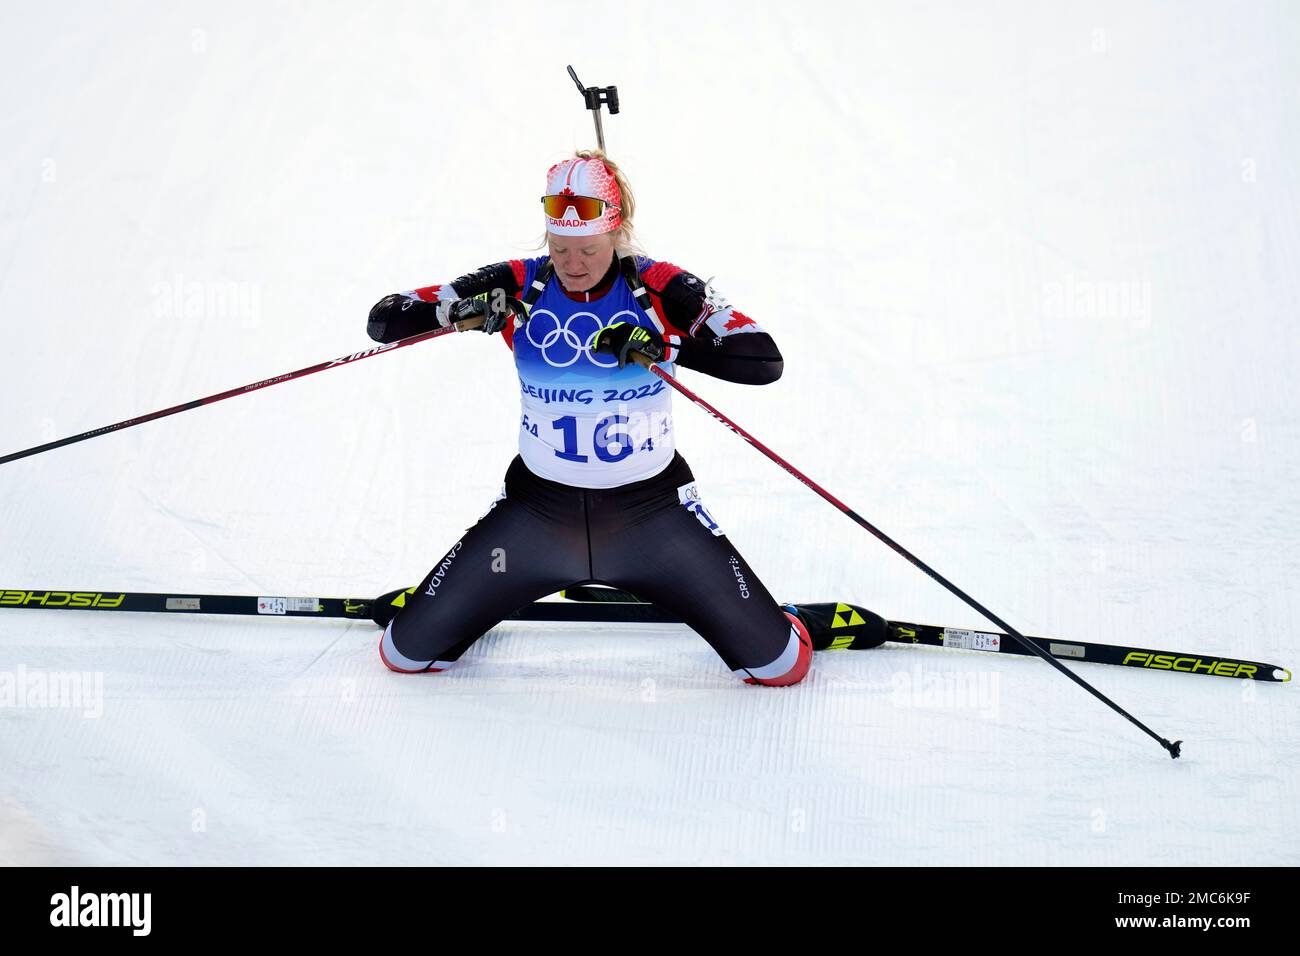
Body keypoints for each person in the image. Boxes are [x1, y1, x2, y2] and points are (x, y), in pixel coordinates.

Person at [364, 149, 813, 684]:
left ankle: (787, 620)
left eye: (589, 250)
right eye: (560, 249)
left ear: (616, 232)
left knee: (781, 667)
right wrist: (451, 311)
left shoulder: (659, 286)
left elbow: (763, 361)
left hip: (651, 516)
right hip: (537, 514)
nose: (573, 265)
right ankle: (466, 593)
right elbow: (385, 321)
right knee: (403, 655)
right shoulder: (520, 283)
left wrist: (664, 345)